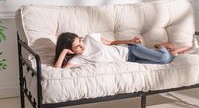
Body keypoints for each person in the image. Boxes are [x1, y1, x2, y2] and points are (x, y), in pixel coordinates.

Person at [54, 32, 190, 68]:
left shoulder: (90, 38)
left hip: (131, 51)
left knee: (163, 58)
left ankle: (161, 46)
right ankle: (173, 51)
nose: (82, 45)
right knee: (165, 61)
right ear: (71, 51)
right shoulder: (78, 59)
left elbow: (112, 42)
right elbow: (58, 69)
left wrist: (130, 41)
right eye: (77, 46)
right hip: (130, 61)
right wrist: (64, 53)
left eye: (80, 41)